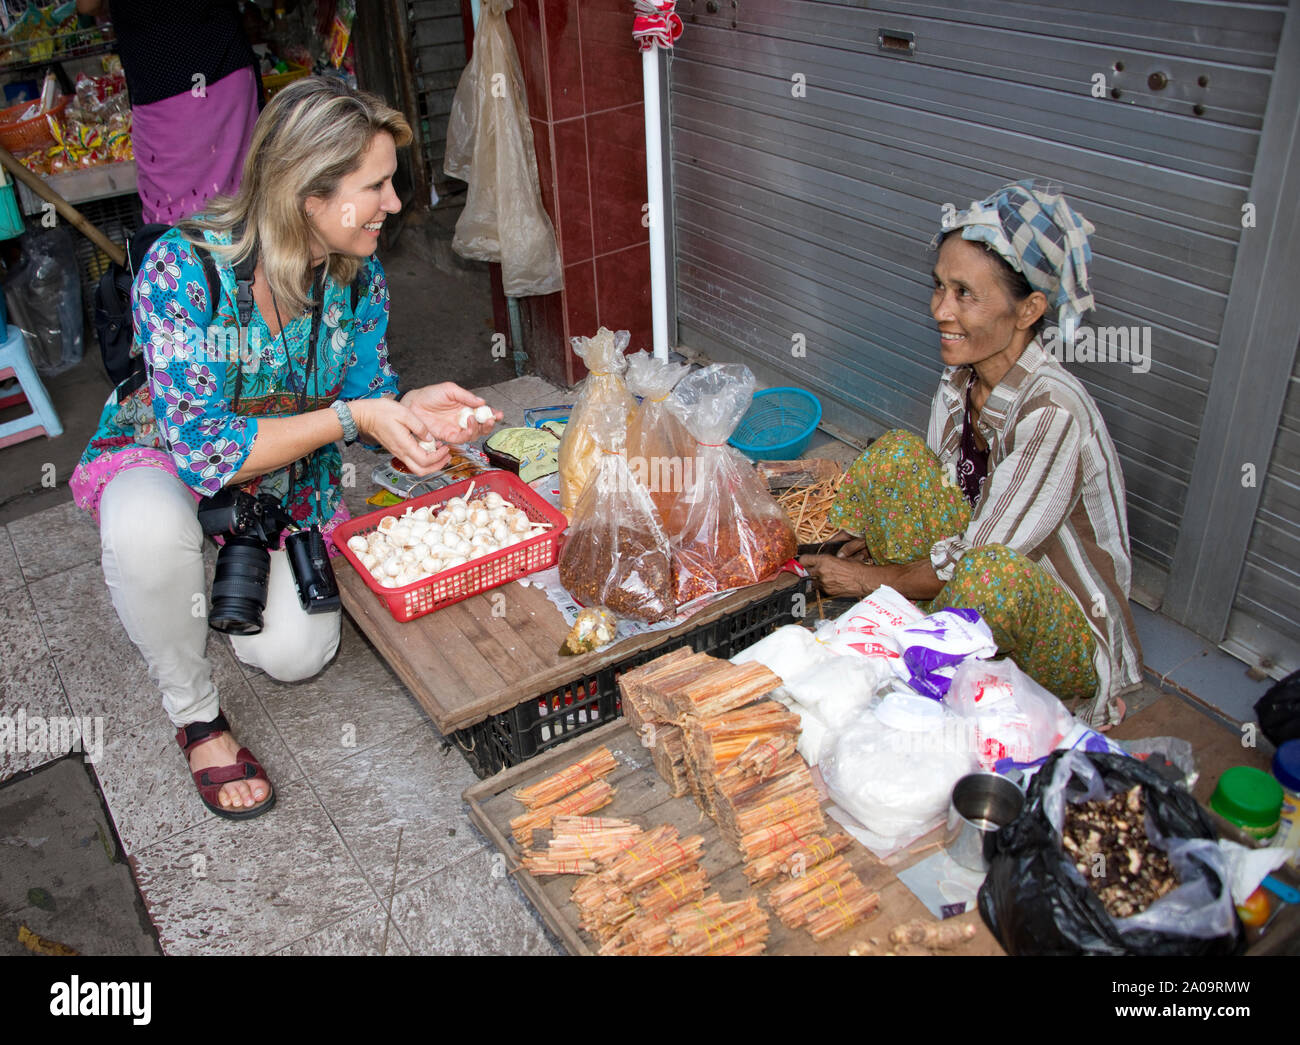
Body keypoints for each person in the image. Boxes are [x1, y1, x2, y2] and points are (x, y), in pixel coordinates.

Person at [70, 78, 499, 820]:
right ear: (309, 198)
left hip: (279, 477)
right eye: (378, 186)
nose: (394, 205)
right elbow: (206, 453)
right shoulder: (183, 269)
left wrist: (410, 416)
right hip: (169, 456)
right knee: (146, 532)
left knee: (297, 656)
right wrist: (348, 416)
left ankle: (226, 564)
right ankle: (196, 712)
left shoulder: (357, 279)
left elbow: (369, 395)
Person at [799, 181, 1142, 730]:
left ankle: (937, 653)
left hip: (1057, 623)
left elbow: (984, 559)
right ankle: (923, 632)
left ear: (1029, 309)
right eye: (938, 287)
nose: (940, 310)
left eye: (965, 294)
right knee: (895, 457)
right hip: (974, 566)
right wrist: (871, 531)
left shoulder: (1053, 411)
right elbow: (939, 486)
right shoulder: (960, 378)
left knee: (988, 578)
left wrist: (864, 581)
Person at [75, 0, 262, 223]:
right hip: (227, 67)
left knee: (178, 220)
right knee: (245, 202)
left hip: (164, 81)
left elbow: (88, 5)